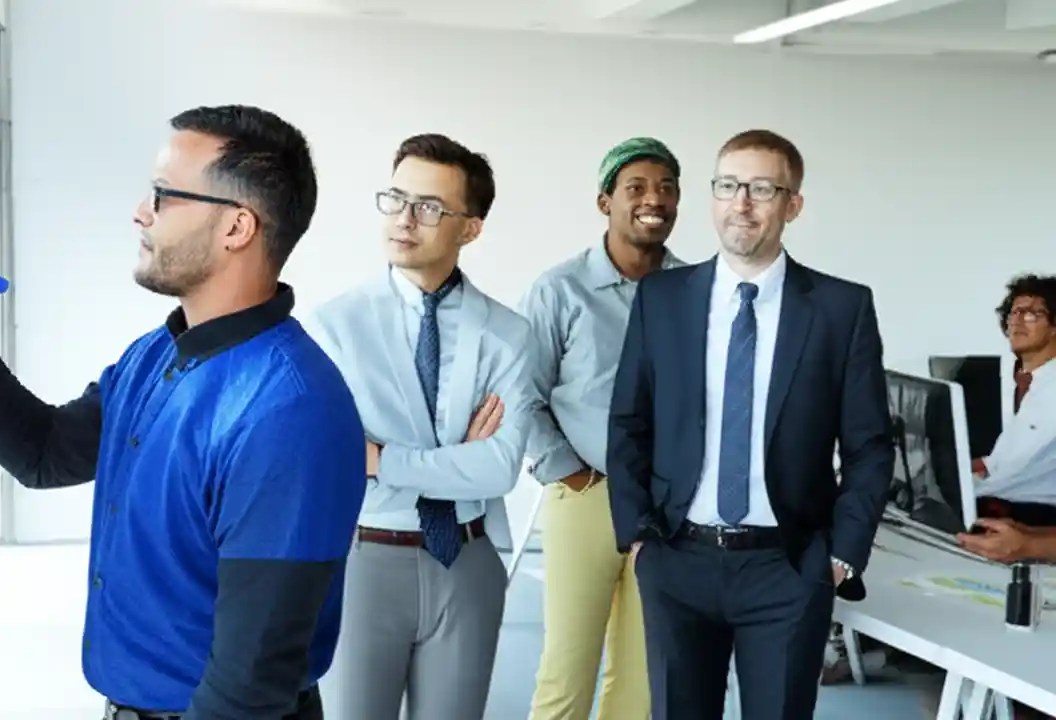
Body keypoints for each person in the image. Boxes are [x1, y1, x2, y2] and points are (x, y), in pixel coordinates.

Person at [0, 105, 366, 720]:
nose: (140, 212)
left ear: (237, 227)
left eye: (163, 195)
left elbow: (249, 685)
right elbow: (44, 453)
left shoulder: (290, 410)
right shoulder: (158, 353)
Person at [606, 128, 895, 719]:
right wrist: (641, 539)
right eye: (728, 186)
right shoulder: (663, 298)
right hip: (678, 559)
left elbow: (869, 445)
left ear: (793, 205)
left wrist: (841, 556)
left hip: (786, 569)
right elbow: (630, 422)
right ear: (712, 197)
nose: (742, 203)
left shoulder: (842, 309)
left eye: (762, 188)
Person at [305, 133, 536, 720]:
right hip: (362, 560)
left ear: (471, 227)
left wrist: (384, 459)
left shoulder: (508, 333)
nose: (405, 219)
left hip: (467, 562)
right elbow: (332, 459)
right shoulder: (334, 326)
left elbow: (499, 467)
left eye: (430, 207)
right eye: (396, 199)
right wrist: (455, 460)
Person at [520, 137, 686, 720]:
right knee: (568, 669)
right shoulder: (560, 289)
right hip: (587, 493)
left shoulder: (694, 291)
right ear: (604, 202)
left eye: (667, 188)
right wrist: (565, 471)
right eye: (636, 187)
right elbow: (523, 395)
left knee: (644, 679)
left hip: (667, 508)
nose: (653, 199)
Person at [972, 275, 1056, 526]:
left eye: (1032, 314)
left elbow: (1019, 470)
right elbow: (1003, 460)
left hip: (1031, 516)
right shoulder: (1018, 382)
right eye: (1014, 312)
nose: (1018, 320)